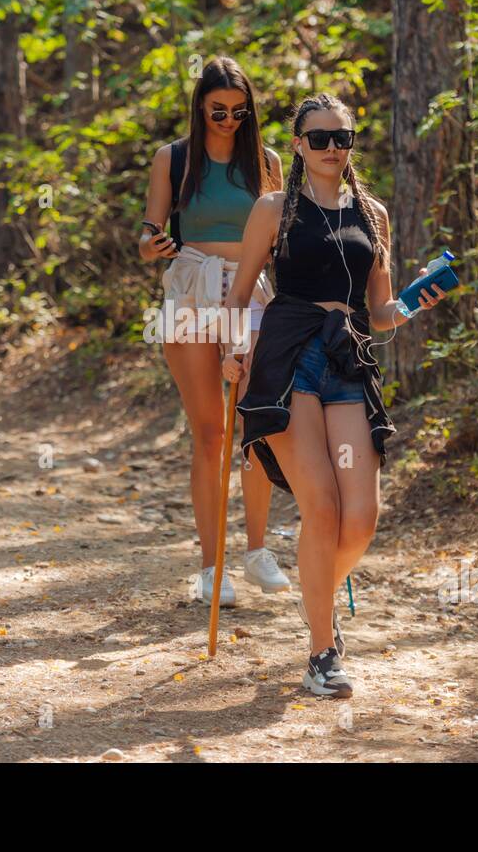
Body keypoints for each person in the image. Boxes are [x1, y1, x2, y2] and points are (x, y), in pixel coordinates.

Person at [221, 93, 448, 697]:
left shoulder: (372, 214)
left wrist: (413, 303)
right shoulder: (275, 209)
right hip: (289, 355)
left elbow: (380, 310)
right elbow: (240, 293)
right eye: (318, 138)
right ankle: (322, 648)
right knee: (320, 505)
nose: (331, 148)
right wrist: (232, 348)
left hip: (347, 358)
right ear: (297, 145)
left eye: (341, 138)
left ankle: (312, 602)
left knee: (362, 518)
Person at [138, 56, 289, 606]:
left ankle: (255, 552)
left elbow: (282, 234)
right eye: (218, 111)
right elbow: (148, 232)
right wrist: (149, 244)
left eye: (239, 111)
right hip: (190, 288)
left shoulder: (266, 161)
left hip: (249, 293)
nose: (229, 119)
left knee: (256, 427)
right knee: (208, 432)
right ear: (200, 108)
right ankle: (211, 566)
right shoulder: (174, 159)